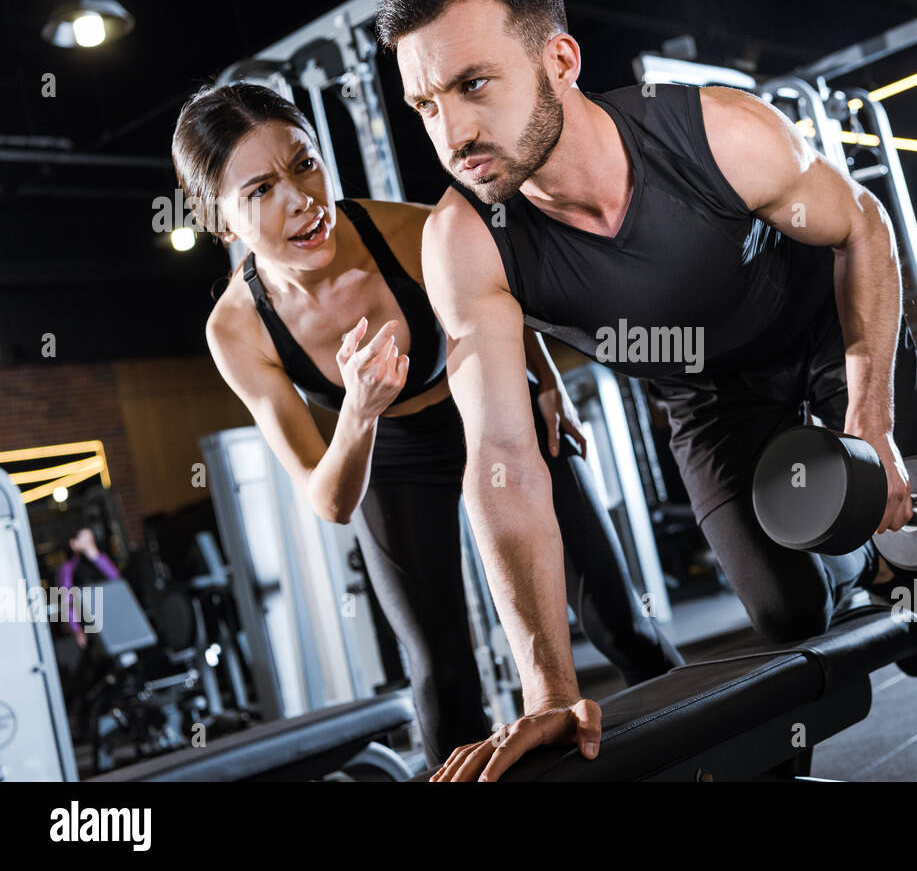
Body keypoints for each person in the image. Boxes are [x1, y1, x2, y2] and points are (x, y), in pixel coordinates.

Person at [372, 0, 917, 782]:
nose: (451, 133)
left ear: (559, 60)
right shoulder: (464, 241)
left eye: (473, 85)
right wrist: (548, 688)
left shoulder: (718, 131)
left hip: (824, 331)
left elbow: (863, 225)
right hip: (706, 395)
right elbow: (500, 456)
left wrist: (870, 427)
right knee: (785, 612)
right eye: (425, 104)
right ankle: (864, 561)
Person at [172, 82, 683, 768]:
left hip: (487, 409)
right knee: (441, 671)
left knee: (618, 622)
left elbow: (499, 301)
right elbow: (329, 499)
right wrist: (358, 408)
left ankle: (709, 758)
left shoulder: (412, 231)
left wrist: (550, 384)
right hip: (389, 452)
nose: (301, 198)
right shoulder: (237, 329)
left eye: (305, 164)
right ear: (222, 223)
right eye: (260, 190)